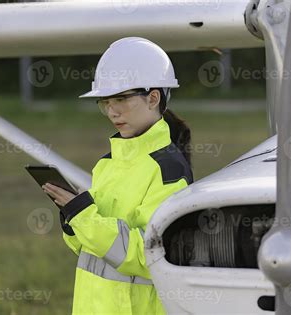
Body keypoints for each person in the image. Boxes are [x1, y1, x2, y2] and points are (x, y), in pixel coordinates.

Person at [42, 37, 193, 315]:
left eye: (121, 99)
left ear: (153, 97)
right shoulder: (107, 164)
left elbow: (149, 255)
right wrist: (72, 218)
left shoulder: (169, 171)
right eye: (106, 102)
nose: (112, 111)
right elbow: (88, 249)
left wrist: (84, 216)